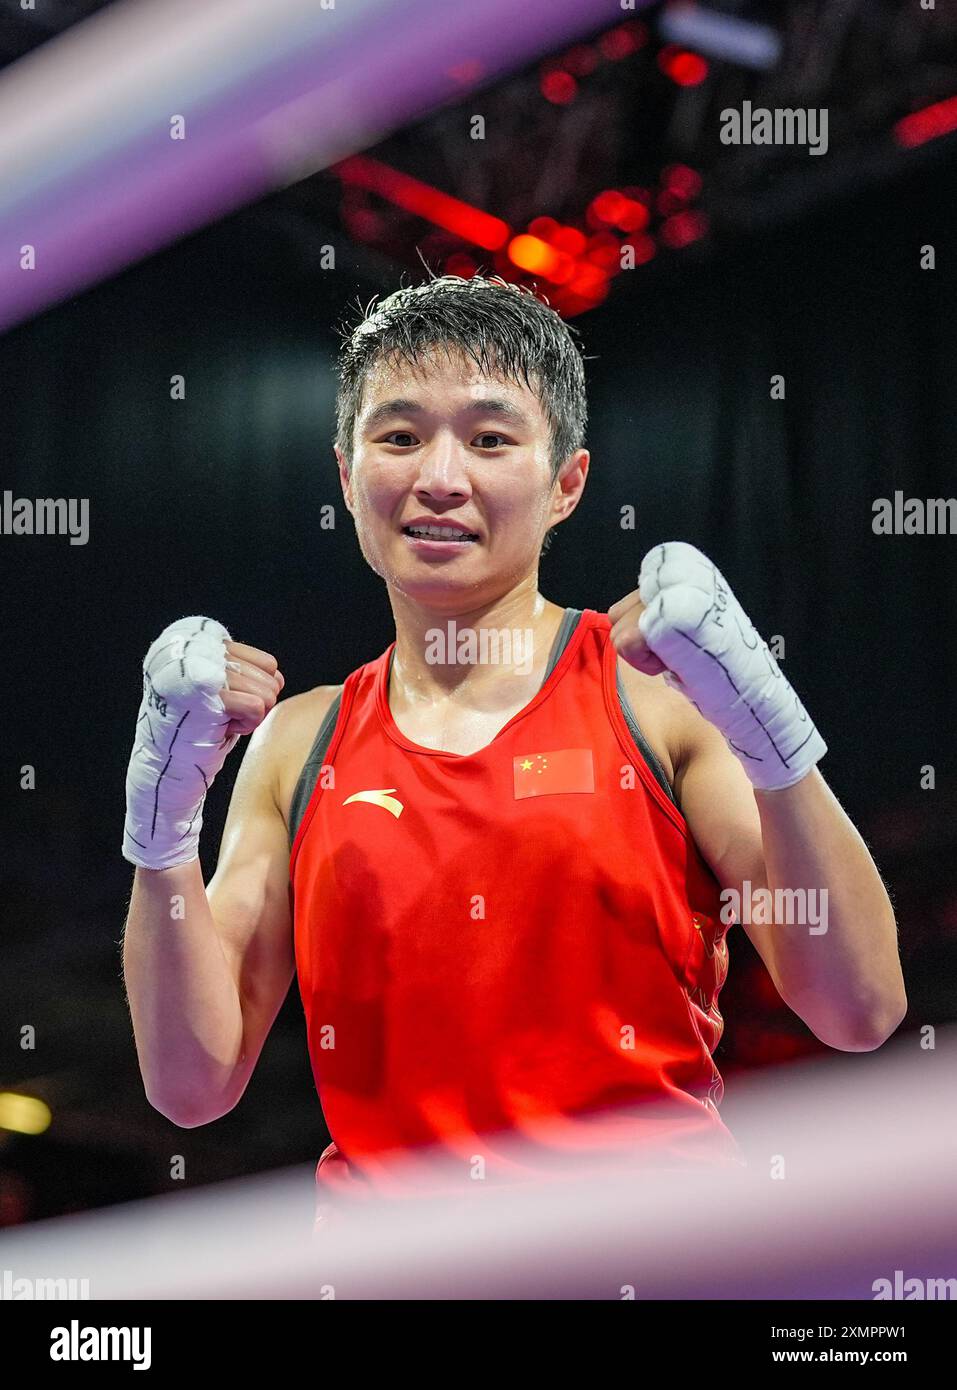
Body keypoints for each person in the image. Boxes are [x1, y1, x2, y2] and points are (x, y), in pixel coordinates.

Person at [121, 273, 906, 1223]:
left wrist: (774, 737)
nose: (439, 478)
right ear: (345, 473)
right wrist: (160, 832)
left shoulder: (655, 701)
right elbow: (191, 1086)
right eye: (399, 436)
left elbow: (859, 1009)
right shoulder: (298, 740)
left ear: (566, 481)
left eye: (490, 439)